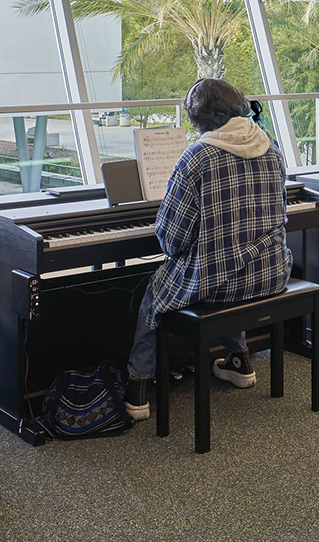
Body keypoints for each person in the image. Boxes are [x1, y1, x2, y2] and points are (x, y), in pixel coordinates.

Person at [122, 78, 291, 419]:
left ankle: (138, 385)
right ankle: (239, 360)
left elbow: (172, 240)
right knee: (229, 263)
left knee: (157, 294)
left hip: (224, 282)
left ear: (199, 119)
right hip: (272, 273)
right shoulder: (272, 149)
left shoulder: (198, 158)